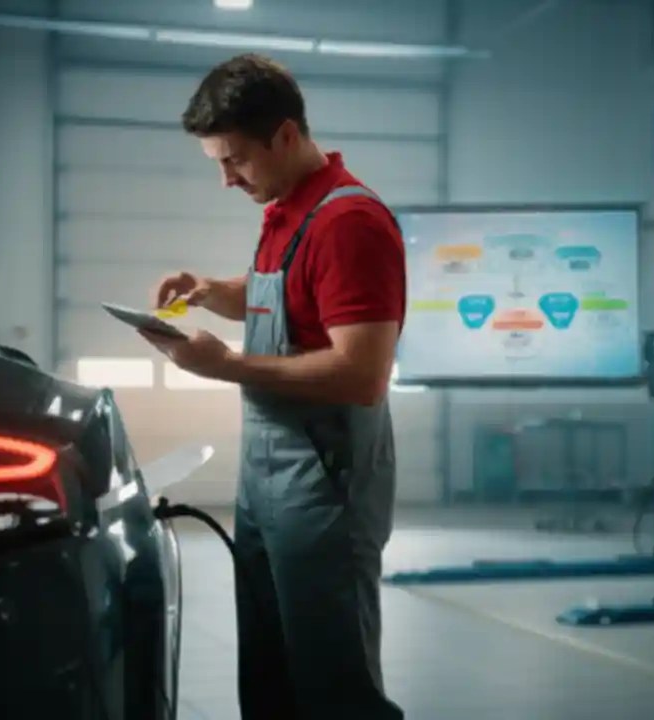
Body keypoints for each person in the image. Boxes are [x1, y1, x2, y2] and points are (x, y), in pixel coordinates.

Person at [140, 53, 406, 720]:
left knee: (332, 687)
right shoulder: (289, 208)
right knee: (270, 675)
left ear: (286, 135)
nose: (228, 180)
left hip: (324, 482)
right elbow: (282, 300)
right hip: (267, 479)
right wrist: (210, 292)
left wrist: (222, 364)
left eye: (235, 161)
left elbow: (361, 374)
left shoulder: (350, 223)